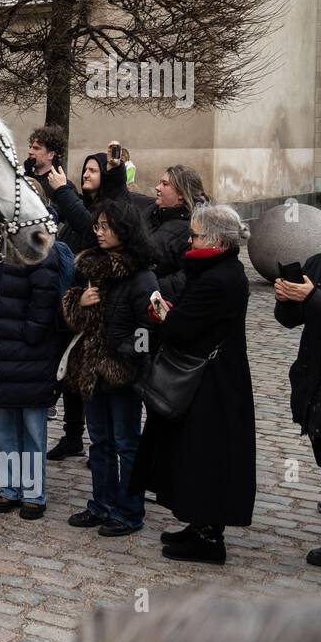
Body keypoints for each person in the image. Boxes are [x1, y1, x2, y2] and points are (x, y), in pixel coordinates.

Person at [132, 204, 255, 564]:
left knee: (205, 456)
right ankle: (198, 525)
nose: (189, 240)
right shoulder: (215, 270)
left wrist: (161, 315)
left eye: (196, 235)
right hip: (207, 377)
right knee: (192, 454)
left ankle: (208, 537)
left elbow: (182, 328)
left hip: (210, 381)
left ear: (215, 240)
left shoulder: (219, 278)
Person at [61, 199, 158, 537]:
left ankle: (129, 511)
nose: (99, 232)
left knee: (126, 443)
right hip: (92, 373)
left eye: (106, 226)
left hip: (122, 376)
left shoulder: (141, 277)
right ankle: (100, 505)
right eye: (97, 226)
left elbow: (149, 333)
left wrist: (121, 358)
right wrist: (79, 303)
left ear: (124, 230)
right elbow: (78, 322)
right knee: (100, 442)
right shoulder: (91, 269)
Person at [0, 179, 63, 519]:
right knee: (4, 426)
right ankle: (10, 488)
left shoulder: (40, 243)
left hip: (27, 352)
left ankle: (34, 495)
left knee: (32, 430)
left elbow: (44, 299)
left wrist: (28, 336)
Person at [44, 144, 131, 461]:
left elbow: (88, 225)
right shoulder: (80, 205)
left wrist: (63, 190)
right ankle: (72, 435)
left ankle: (100, 445)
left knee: (91, 379)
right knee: (71, 374)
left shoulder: (109, 209)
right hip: (75, 300)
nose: (85, 174)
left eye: (93, 170)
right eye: (84, 170)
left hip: (98, 306)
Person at [275, 197, 321, 590]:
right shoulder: (317, 264)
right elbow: (290, 321)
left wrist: (313, 298)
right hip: (318, 386)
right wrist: (287, 300)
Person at [144, 165, 208, 302]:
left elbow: (189, 275)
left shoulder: (193, 229)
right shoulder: (152, 212)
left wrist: (152, 287)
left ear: (181, 194)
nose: (157, 187)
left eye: (165, 184)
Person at [23, 125, 67, 200]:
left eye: (36, 148)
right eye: (30, 147)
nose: (30, 152)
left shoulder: (60, 185)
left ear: (50, 155)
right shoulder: (25, 177)